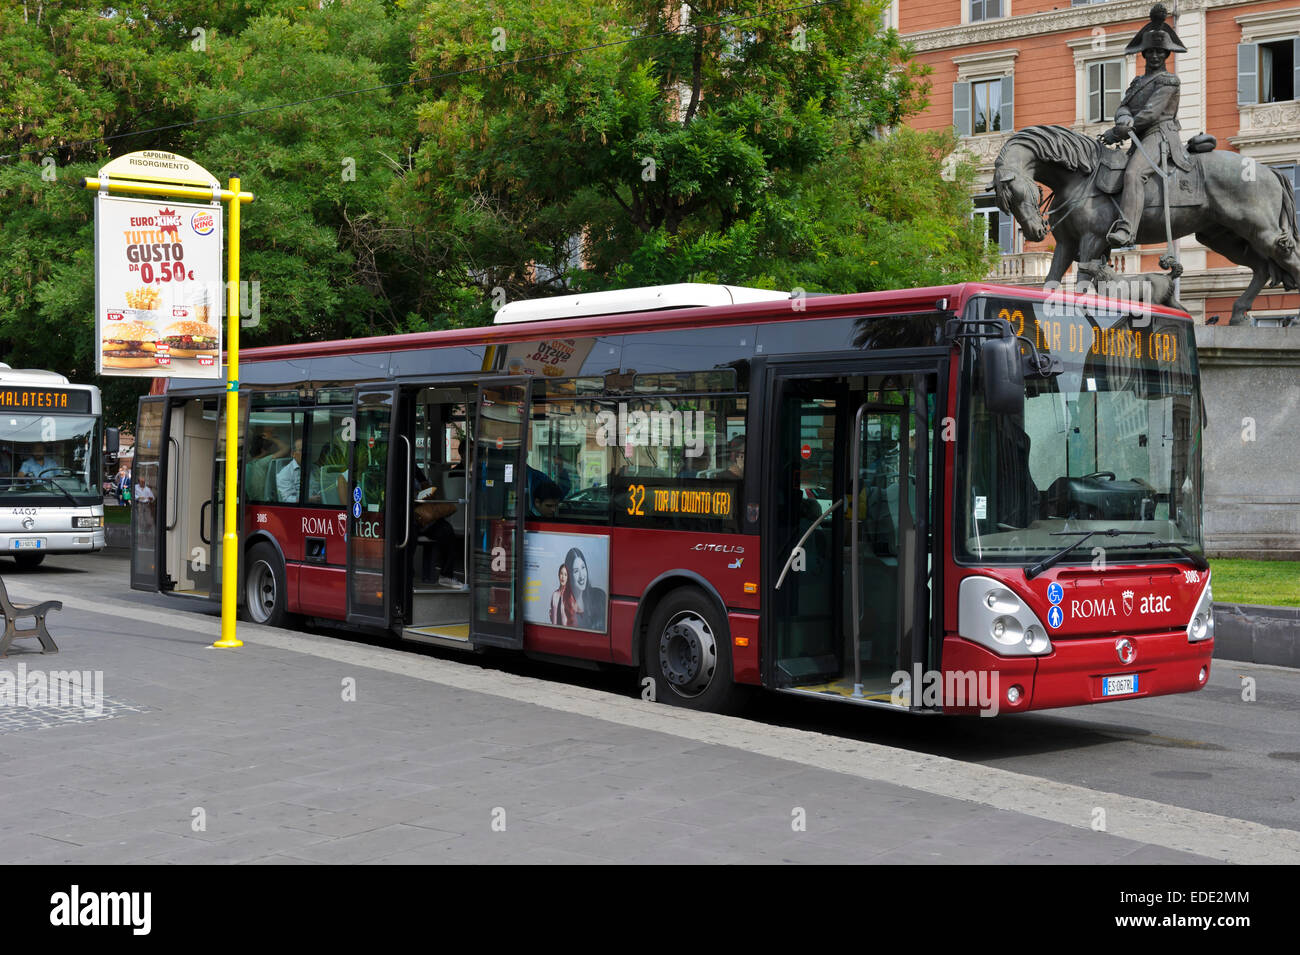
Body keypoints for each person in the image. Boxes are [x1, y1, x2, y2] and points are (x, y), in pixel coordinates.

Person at [1102, 6, 1189, 248]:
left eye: (1159, 52)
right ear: (1144, 54)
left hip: (1160, 135)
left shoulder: (1170, 81)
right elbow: (1123, 106)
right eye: (1150, 52)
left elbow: (1151, 114)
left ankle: (1127, 229)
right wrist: (1123, 119)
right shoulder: (1137, 82)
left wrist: (1119, 130)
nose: (1154, 56)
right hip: (1138, 136)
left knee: (1133, 173)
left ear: (1166, 55)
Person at [565, 546, 607, 632]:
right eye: (576, 571)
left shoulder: (600, 596)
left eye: (583, 568)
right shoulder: (564, 607)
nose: (581, 576)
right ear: (569, 575)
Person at [548, 563, 575, 627]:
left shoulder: (571, 596)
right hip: (554, 630)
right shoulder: (554, 595)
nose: (563, 577)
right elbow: (552, 613)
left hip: (567, 632)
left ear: (568, 577)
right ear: (558, 575)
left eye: (565, 575)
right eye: (561, 573)